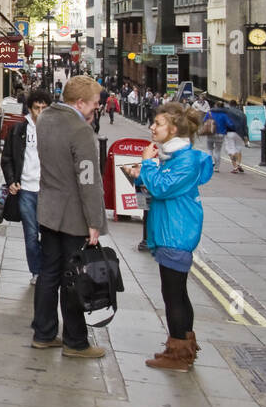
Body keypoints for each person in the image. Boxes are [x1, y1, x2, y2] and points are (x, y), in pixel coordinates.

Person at [122, 103, 213, 371]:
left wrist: (147, 164)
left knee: (173, 294)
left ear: (173, 129)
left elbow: (162, 188)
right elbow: (157, 185)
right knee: (178, 293)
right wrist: (141, 174)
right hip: (170, 232)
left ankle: (178, 355)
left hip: (177, 234)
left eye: (158, 124)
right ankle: (183, 345)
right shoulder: (172, 158)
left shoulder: (185, 161)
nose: (152, 127)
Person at [31, 75, 110, 358]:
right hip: (74, 216)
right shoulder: (80, 131)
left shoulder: (47, 118)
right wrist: (95, 222)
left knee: (48, 273)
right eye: (94, 104)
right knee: (74, 277)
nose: (96, 109)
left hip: (49, 210)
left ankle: (43, 333)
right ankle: (76, 342)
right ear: (79, 102)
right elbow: (88, 180)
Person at [2, 89, 53, 286]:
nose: (40, 112)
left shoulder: (54, 131)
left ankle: (48, 270)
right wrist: (11, 181)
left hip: (48, 191)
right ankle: (37, 271)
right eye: (36, 108)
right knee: (31, 235)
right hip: (26, 191)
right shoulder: (18, 130)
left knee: (48, 235)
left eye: (44, 108)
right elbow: (6, 158)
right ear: (30, 108)